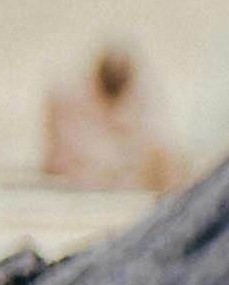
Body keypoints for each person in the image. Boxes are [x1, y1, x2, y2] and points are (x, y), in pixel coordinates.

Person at [40, 43, 186, 195]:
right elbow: (63, 158)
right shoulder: (68, 96)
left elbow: (157, 138)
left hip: (128, 185)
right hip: (81, 185)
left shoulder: (143, 97)